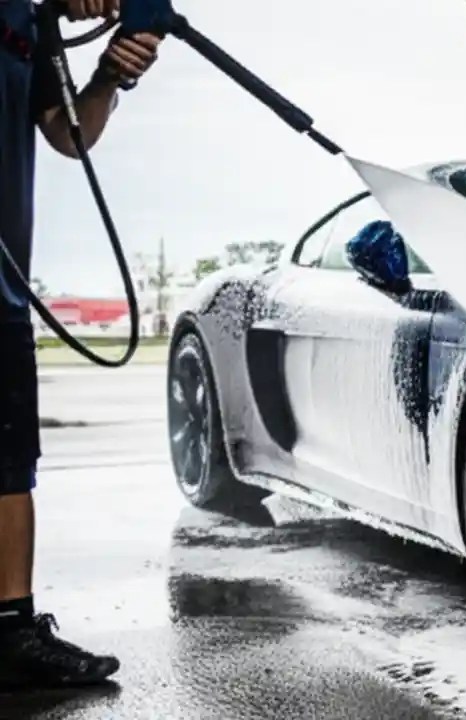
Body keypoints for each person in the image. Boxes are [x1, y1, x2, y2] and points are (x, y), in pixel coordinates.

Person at [0, 0, 163, 688]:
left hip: (2, 285)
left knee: (9, 460)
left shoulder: (26, 24)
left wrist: (108, 77)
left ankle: (10, 632)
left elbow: (72, 136)